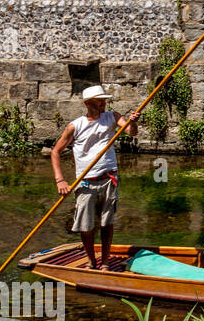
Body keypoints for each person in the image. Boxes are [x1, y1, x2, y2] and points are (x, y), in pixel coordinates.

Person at [50, 85, 139, 270]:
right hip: (85, 183)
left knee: (107, 223)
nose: (103, 103)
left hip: (109, 179)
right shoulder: (75, 126)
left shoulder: (112, 117)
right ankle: (91, 260)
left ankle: (105, 262)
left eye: (104, 100)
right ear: (88, 103)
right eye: (100, 100)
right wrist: (60, 180)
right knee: (85, 226)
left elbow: (131, 132)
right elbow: (55, 152)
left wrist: (133, 122)